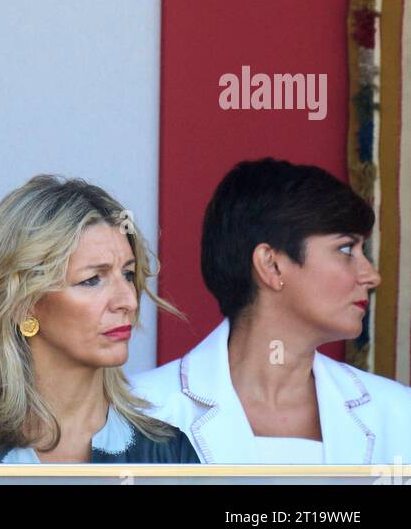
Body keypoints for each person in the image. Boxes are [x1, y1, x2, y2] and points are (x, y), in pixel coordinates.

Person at [129, 158, 411, 463]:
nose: (372, 276)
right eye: (345, 250)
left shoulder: (397, 413)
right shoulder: (141, 412)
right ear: (271, 264)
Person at [0, 174, 199, 463]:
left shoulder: (169, 454)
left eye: (128, 274)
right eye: (93, 279)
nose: (129, 301)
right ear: (23, 304)